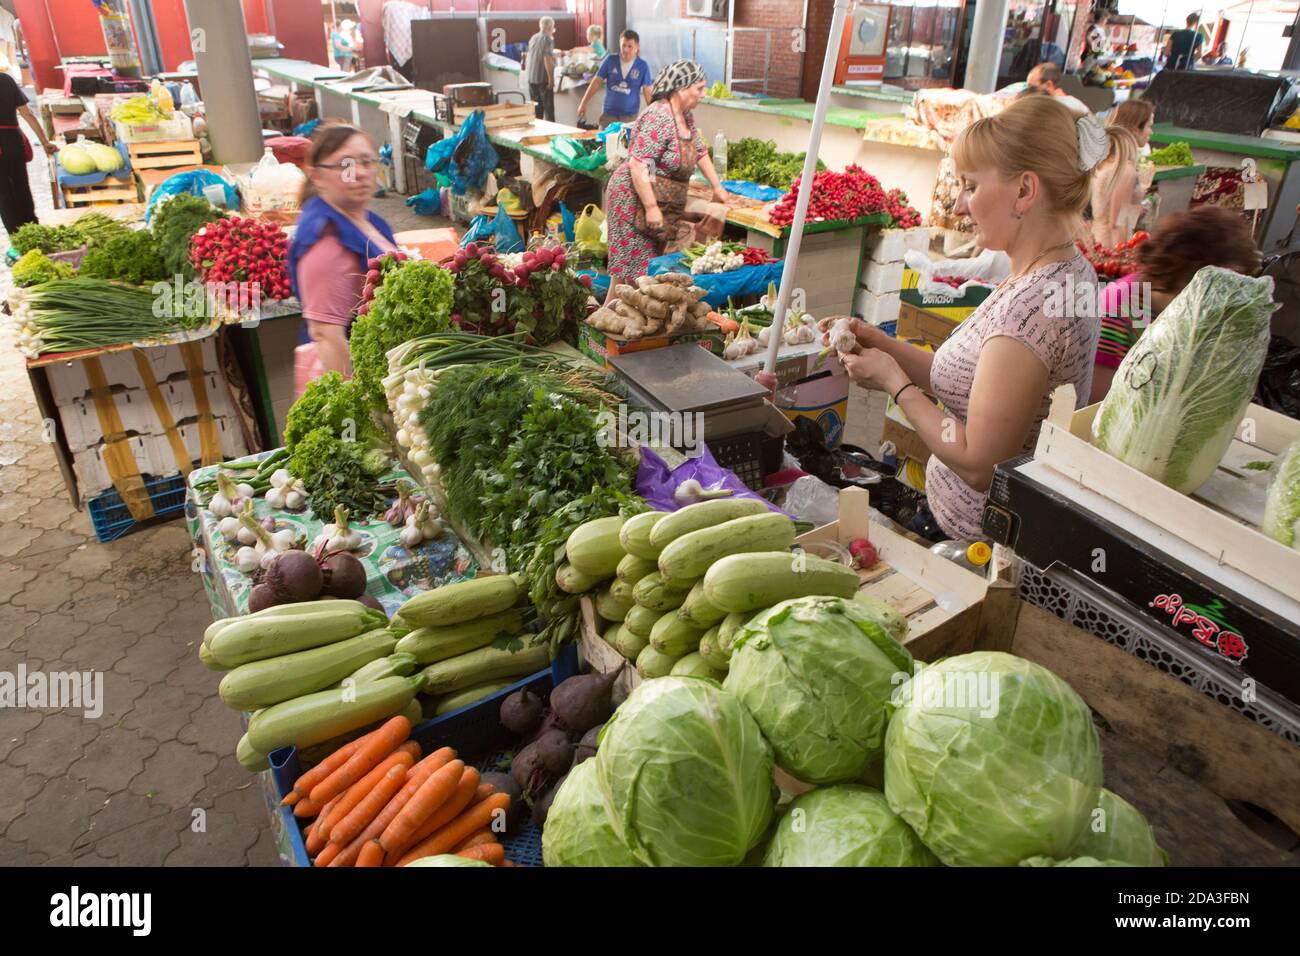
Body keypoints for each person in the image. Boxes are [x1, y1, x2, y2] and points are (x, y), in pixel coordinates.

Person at [817, 97, 1105, 542]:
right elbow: (976, 389)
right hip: (952, 518)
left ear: (1025, 191)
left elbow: (977, 461)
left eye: (970, 186)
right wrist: (882, 343)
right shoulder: (1061, 273)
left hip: (969, 543)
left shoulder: (1034, 310)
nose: (958, 207)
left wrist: (897, 385)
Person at [1090, 206, 1260, 404]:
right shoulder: (1119, 309)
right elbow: (1094, 403)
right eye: (1215, 288)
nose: (1221, 301)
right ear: (1182, 272)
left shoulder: (1196, 314)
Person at [603, 60, 730, 297]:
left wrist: (717, 186)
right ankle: (618, 328)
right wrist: (651, 207)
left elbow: (699, 150)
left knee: (628, 279)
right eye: (699, 88)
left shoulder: (685, 116)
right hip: (631, 200)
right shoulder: (658, 116)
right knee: (635, 279)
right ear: (681, 88)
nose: (703, 94)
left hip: (658, 200)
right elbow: (639, 164)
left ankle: (604, 326)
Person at [287, 124, 398, 377]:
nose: (358, 173)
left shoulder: (361, 218)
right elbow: (326, 335)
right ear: (317, 176)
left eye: (367, 162)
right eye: (345, 165)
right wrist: (361, 401)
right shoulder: (326, 241)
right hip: (357, 375)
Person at [0, 59, 55, 236]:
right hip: (12, 140)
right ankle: (33, 229)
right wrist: (45, 142)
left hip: (7, 141)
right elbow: (27, 113)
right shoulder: (6, 80)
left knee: (3, 194)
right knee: (22, 185)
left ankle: (17, 237)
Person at [576, 30, 651, 129]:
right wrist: (583, 103)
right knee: (604, 143)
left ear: (637, 47)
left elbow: (647, 91)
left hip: (630, 118)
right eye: (623, 45)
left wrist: (653, 114)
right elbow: (596, 81)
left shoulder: (643, 66)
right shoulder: (610, 60)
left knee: (626, 144)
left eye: (630, 46)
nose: (626, 50)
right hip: (608, 117)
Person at [1088, 124, 1140, 248]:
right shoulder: (1126, 169)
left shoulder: (1100, 167)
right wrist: (1121, 254)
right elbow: (1117, 223)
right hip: (1113, 243)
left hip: (1096, 238)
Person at [526, 17, 557, 122]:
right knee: (549, 111)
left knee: (536, 111)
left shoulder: (534, 37)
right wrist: (551, 79)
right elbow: (546, 59)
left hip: (531, 78)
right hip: (542, 79)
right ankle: (551, 135)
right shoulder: (548, 39)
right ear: (550, 27)